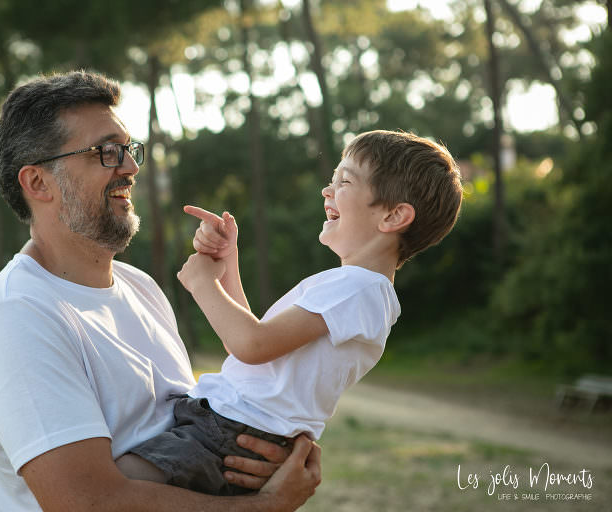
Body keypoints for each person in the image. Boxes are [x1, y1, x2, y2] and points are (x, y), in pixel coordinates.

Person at [0, 70, 321, 512]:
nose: (131, 167)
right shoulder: (17, 315)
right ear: (38, 183)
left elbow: (186, 441)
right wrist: (265, 507)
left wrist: (273, 449)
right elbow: (89, 502)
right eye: (107, 152)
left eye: (129, 150)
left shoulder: (142, 288)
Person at [117, 130, 464, 495]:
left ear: (393, 216)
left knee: (116, 484)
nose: (326, 191)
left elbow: (252, 345)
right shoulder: (359, 289)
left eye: (344, 181)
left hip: (231, 432)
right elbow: (254, 346)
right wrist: (227, 262)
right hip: (232, 426)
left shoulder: (356, 289)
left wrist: (203, 284)